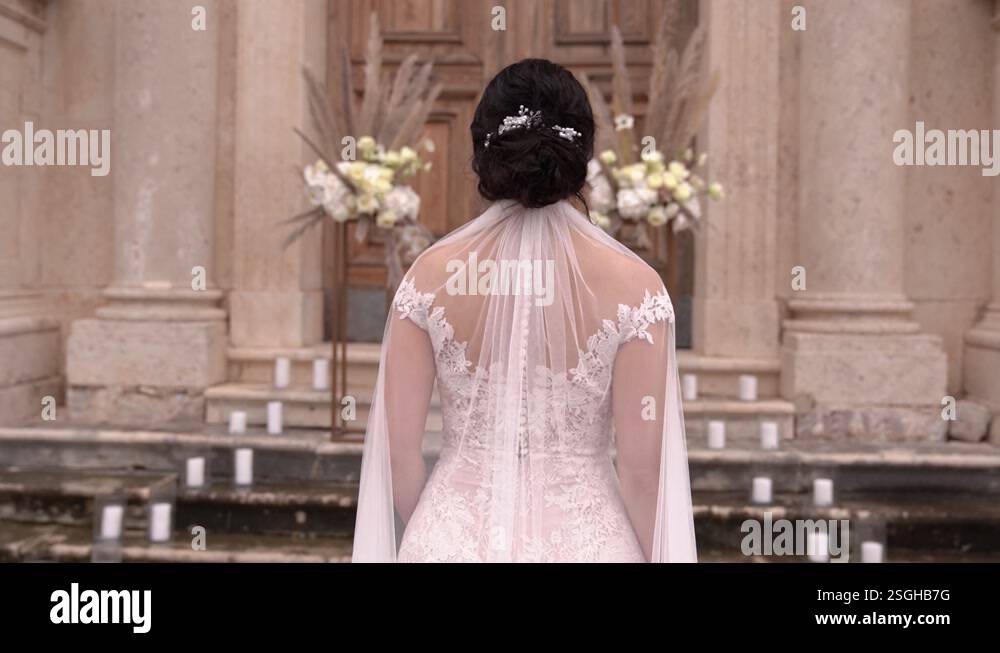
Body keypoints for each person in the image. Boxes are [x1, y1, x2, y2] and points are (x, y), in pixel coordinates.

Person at [353, 58, 696, 562]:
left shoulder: (429, 276)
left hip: (450, 543)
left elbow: (397, 455)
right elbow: (644, 476)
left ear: (481, 154)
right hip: (586, 545)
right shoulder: (636, 288)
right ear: (583, 153)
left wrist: (444, 528)